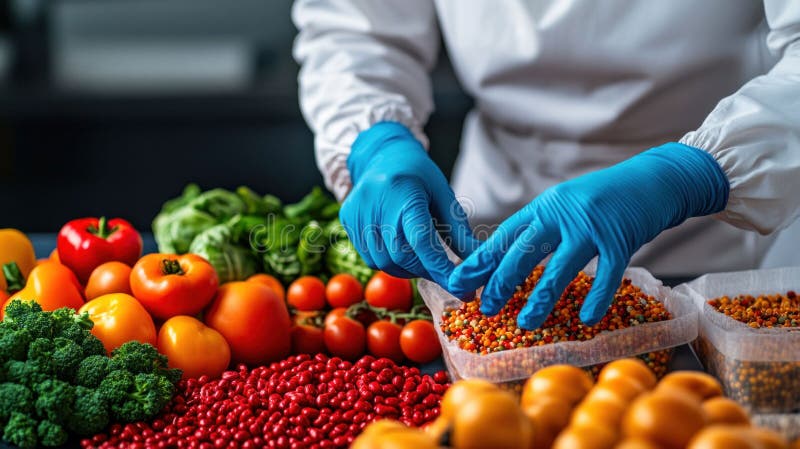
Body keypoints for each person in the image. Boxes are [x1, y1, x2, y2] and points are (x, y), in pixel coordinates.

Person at [292, 1, 800, 329]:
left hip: (727, 217)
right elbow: (357, 28)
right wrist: (374, 137)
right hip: (495, 212)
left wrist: (696, 172)